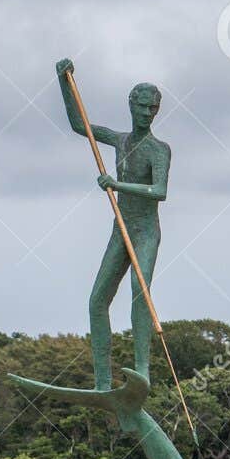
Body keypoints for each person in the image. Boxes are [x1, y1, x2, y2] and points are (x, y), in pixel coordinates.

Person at [56, 57, 171, 389]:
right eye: (143, 107)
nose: (147, 114)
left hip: (146, 231)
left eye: (153, 109)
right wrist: (63, 82)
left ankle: (141, 370)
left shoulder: (159, 150)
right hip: (121, 229)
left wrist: (116, 185)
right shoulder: (119, 140)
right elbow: (81, 125)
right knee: (97, 301)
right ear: (131, 106)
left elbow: (159, 191)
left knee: (139, 292)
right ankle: (103, 382)